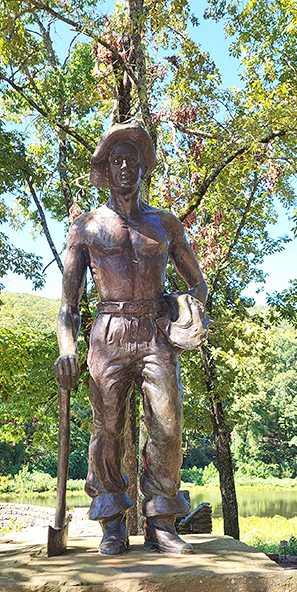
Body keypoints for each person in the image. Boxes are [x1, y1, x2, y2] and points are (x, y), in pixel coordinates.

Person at [54, 123, 208, 556]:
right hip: (108, 333)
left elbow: (197, 283)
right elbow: (68, 305)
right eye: (116, 160)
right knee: (107, 428)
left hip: (156, 334)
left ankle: (161, 522)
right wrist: (67, 348)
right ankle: (112, 523)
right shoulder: (85, 228)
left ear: (144, 167)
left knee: (168, 425)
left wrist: (186, 316)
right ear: (105, 169)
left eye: (132, 160)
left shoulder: (164, 224)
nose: (124, 167)